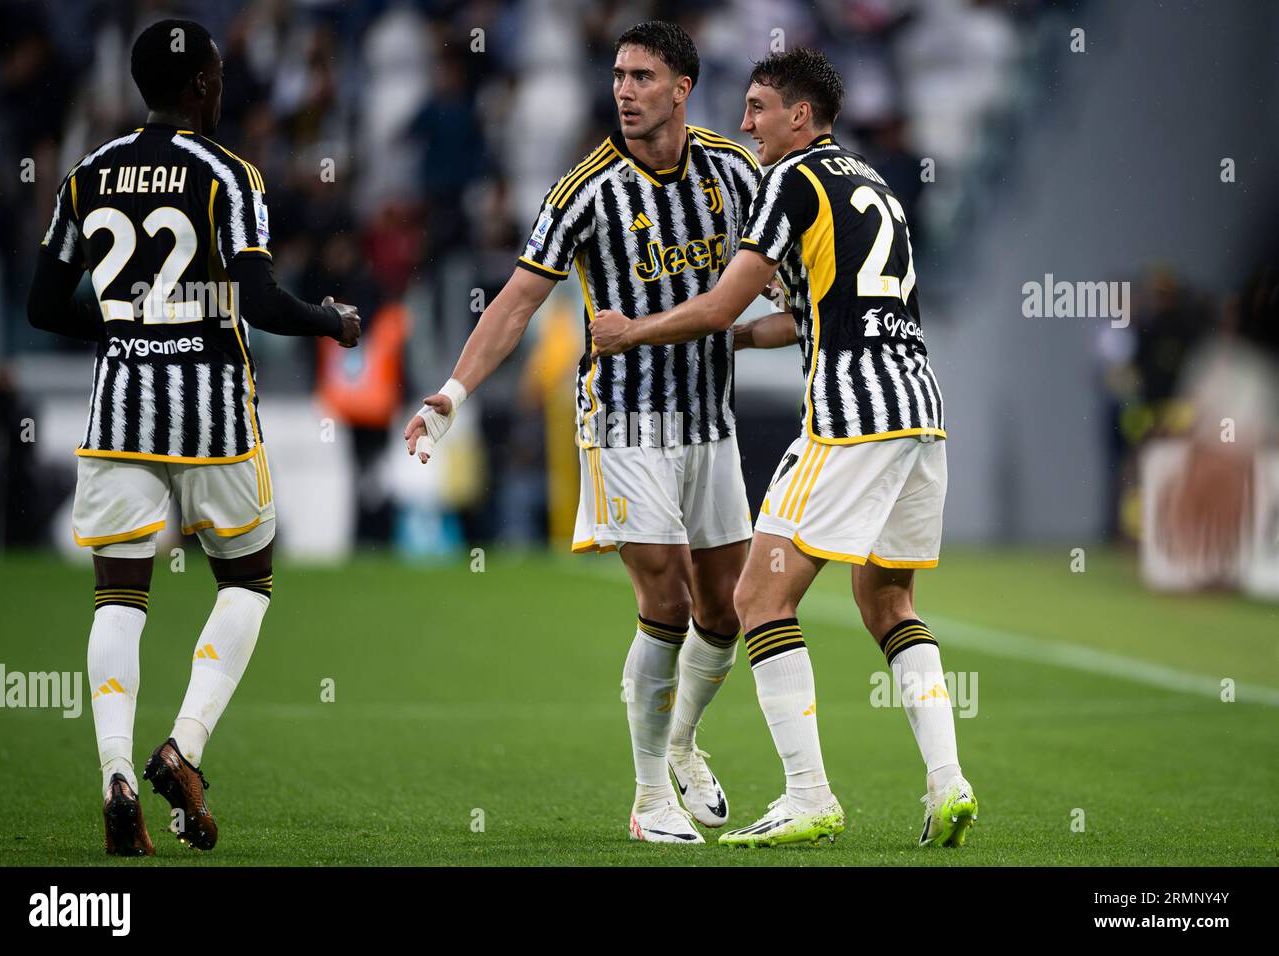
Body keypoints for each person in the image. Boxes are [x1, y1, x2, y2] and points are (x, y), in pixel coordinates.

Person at [590, 48, 977, 849]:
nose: (744, 123)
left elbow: (725, 300)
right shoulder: (875, 189)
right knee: (889, 605)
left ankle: (809, 796)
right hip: (920, 411)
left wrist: (632, 331)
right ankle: (949, 783)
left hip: (848, 419)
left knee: (757, 600)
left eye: (760, 107)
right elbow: (804, 316)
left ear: (801, 115)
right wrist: (732, 339)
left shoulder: (789, 183)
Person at [406, 21, 762, 844]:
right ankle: (648, 800)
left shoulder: (732, 170)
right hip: (623, 418)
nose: (625, 91)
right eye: (617, 76)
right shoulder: (583, 189)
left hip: (710, 417)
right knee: (664, 596)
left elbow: (777, 271)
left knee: (726, 608)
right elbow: (517, 302)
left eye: (642, 77)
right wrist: (453, 393)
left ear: (682, 89)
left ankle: (681, 741)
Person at [27, 18, 361, 855]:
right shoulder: (229, 173)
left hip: (118, 415)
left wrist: (125, 322)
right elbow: (261, 299)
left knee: (118, 598)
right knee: (246, 581)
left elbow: (40, 304)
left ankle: (111, 776)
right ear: (204, 84)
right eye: (215, 74)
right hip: (211, 413)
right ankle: (184, 748)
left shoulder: (87, 174)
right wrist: (334, 322)